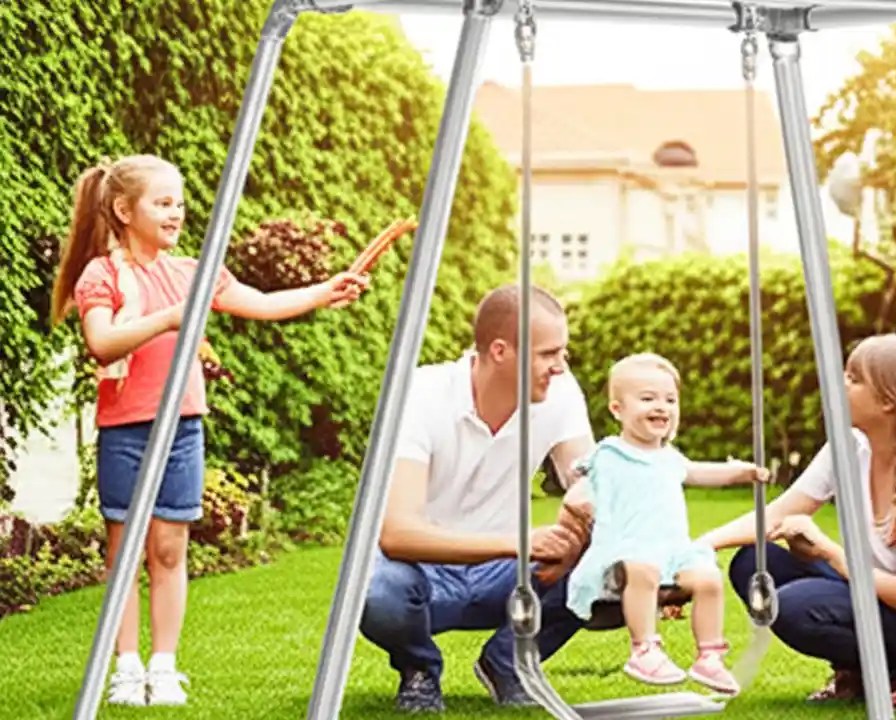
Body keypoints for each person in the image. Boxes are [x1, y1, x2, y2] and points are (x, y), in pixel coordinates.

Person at [50, 154, 369, 707]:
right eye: (163, 202)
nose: (177, 212)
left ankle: (164, 666)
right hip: (127, 429)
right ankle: (125, 665)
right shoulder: (101, 275)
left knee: (170, 551)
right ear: (125, 210)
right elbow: (101, 343)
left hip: (182, 427)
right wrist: (172, 319)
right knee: (125, 554)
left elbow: (262, 303)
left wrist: (324, 291)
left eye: (179, 202)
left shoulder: (193, 272)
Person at [697, 334, 896, 710]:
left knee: (794, 607)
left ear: (889, 401)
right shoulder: (850, 446)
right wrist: (697, 548)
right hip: (871, 593)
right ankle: (859, 671)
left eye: (853, 378)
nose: (839, 384)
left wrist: (829, 552)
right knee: (752, 563)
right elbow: (778, 514)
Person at [359, 284, 596, 713]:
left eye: (564, 353)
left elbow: (585, 477)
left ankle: (509, 664)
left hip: (507, 578)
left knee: (610, 566)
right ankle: (419, 671)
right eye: (549, 354)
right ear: (501, 351)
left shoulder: (560, 392)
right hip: (425, 577)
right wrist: (520, 543)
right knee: (377, 589)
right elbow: (397, 534)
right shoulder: (421, 393)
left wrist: (589, 519)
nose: (561, 366)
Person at [564, 353, 770, 695]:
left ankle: (709, 656)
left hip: (671, 553)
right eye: (647, 399)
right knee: (644, 569)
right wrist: (584, 505)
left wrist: (742, 472)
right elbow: (578, 493)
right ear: (618, 410)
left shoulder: (670, 458)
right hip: (625, 549)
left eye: (670, 400)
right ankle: (644, 649)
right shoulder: (608, 454)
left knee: (708, 580)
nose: (661, 406)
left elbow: (703, 472)